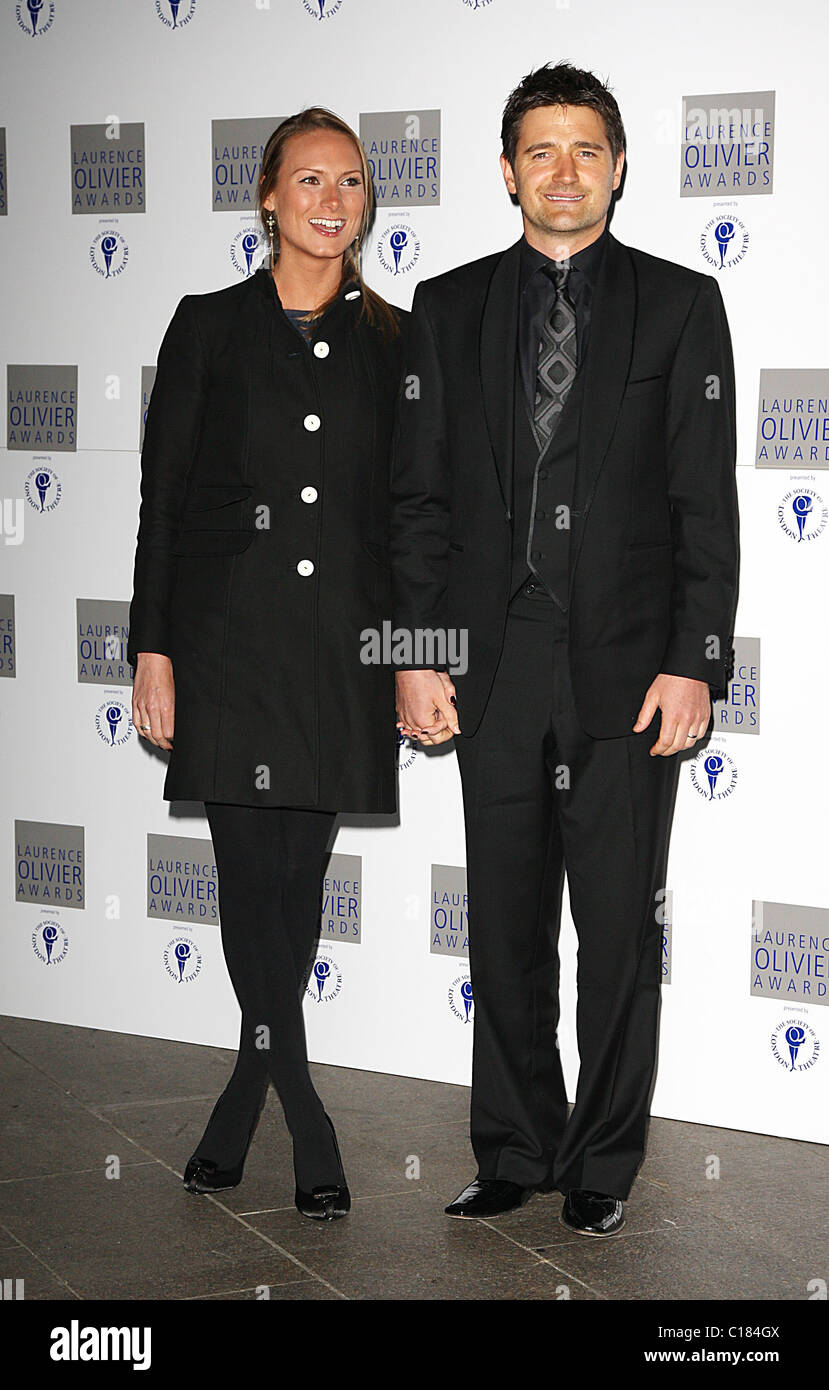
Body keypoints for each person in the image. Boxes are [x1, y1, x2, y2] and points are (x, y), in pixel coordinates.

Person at [390, 63, 738, 1237]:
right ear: (505, 172)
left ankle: (600, 1163)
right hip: (490, 664)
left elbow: (705, 503)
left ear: (619, 165)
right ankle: (512, 1147)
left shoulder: (682, 305)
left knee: (615, 931)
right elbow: (418, 505)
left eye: (585, 148)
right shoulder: (445, 308)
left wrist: (696, 659)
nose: (564, 170)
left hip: (631, 672)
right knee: (504, 921)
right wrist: (416, 654)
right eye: (540, 150)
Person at [128, 108, 405, 1220]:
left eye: (349, 182)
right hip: (228, 652)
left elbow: (416, 523)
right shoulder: (207, 326)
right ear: (267, 196)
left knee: (296, 891)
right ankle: (306, 1106)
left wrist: (417, 658)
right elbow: (166, 500)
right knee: (252, 891)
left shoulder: (399, 342)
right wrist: (151, 647)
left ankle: (244, 1092)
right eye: (308, 180)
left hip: (342, 658)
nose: (330, 200)